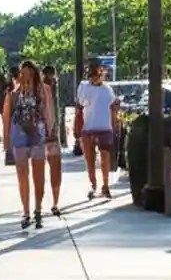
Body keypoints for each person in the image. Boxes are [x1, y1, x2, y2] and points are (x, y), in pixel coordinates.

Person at [3, 60, 56, 230]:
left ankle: (38, 209)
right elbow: (7, 117)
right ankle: (25, 211)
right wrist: (6, 139)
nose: (26, 77)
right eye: (23, 73)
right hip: (19, 135)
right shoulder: (14, 94)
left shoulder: (44, 91)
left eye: (29, 73)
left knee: (38, 173)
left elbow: (49, 112)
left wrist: (50, 131)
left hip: (37, 135)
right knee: (22, 173)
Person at [74, 60, 120, 200]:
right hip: (88, 127)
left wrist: (115, 124)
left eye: (99, 73)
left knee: (105, 156)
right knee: (90, 158)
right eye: (94, 74)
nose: (96, 77)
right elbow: (80, 103)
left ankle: (105, 185)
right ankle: (93, 183)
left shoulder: (107, 89)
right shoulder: (84, 87)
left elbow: (113, 107)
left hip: (105, 127)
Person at [41, 66, 65, 216]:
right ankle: (48, 202)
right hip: (43, 135)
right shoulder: (43, 90)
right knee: (50, 169)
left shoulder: (55, 90)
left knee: (54, 168)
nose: (51, 81)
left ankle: (54, 202)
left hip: (50, 136)